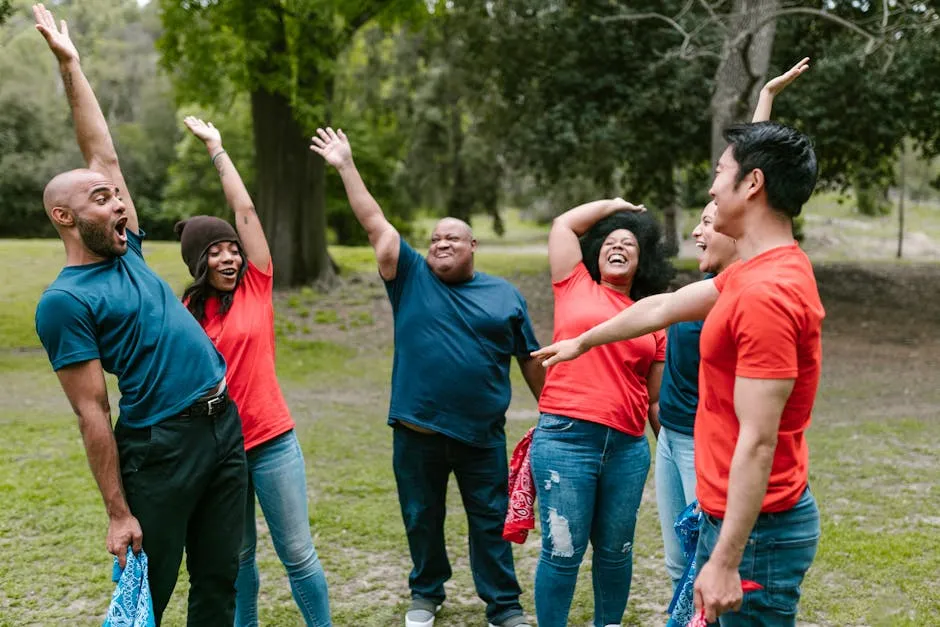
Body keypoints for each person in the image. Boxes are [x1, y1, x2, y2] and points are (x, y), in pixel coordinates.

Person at [533, 118, 823, 626]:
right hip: (741, 520)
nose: (711, 188)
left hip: (758, 534)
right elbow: (663, 307)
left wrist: (726, 560)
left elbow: (759, 441)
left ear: (752, 184)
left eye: (720, 172)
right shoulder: (749, 273)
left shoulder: (767, 293)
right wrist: (583, 339)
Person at [31, 6, 247, 625]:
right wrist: (118, 511)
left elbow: (101, 151)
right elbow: (92, 411)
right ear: (66, 218)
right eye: (102, 199)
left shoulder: (128, 249)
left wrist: (71, 65)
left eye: (116, 195)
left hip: (220, 424)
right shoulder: (65, 301)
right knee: (148, 592)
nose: (118, 202)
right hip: (161, 449)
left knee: (218, 580)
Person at [311, 127, 544, 627]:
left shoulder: (505, 296)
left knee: (490, 522)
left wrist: (552, 412)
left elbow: (529, 357)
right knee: (421, 518)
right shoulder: (410, 277)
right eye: (435, 237)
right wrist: (346, 165)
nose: (441, 243)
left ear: (473, 245)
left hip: (482, 437)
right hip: (417, 432)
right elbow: (375, 224)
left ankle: (503, 606)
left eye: (452, 238)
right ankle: (426, 593)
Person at [656, 58, 809, 593]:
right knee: (679, 565)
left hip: (711, 445)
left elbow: (753, 180)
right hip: (671, 431)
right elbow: (748, 166)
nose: (703, 225)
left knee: (705, 563)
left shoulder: (752, 275)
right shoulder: (706, 284)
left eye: (707, 216)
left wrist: (764, 108)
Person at [175, 117, 332, 627]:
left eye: (232, 249)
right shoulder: (186, 311)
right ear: (199, 263)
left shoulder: (256, 285)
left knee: (298, 554)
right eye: (215, 252)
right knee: (238, 559)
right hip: (220, 450)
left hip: (271, 440)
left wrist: (217, 149)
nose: (229, 257)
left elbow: (243, 211)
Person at [531, 199, 674, 627]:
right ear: (594, 254)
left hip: (627, 450)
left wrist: (672, 452)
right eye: (609, 241)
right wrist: (615, 206)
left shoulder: (653, 317)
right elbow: (562, 224)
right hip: (565, 439)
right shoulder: (573, 284)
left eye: (628, 243)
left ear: (641, 258)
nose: (617, 246)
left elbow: (654, 401)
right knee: (562, 551)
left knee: (616, 551)